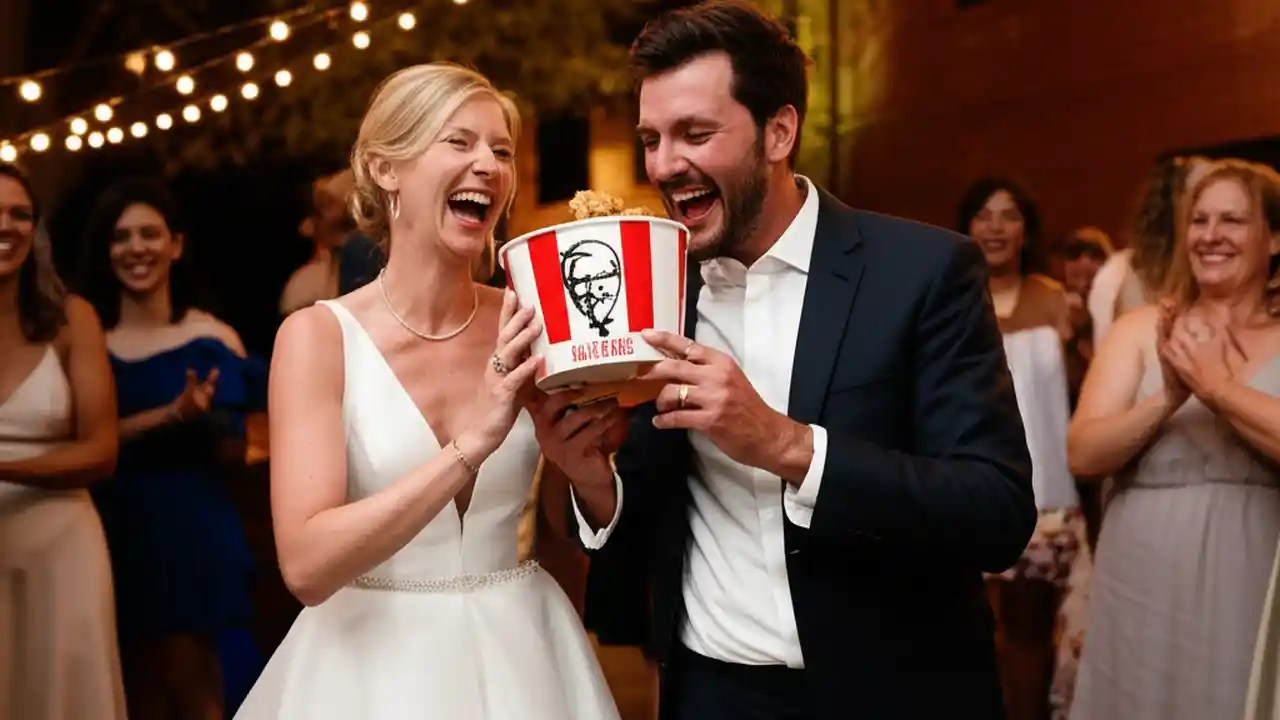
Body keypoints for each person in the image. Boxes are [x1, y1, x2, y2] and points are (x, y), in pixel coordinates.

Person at [562, 3, 1036, 718]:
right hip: (712, 694)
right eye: (651, 139)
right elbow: (645, 529)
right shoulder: (650, 292)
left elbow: (995, 512)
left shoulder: (922, 271)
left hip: (891, 692)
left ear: (779, 131)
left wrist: (786, 445)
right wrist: (593, 483)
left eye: (695, 133)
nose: (663, 164)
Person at [234, 62, 622, 719]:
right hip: (367, 673)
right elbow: (305, 566)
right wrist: (470, 446)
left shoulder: (535, 321)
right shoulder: (318, 339)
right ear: (386, 168)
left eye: (501, 151)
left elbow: (562, 524)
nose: (489, 166)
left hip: (524, 662)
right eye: (459, 142)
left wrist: (588, 480)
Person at [1068, 158, 1280, 720]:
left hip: (1254, 569)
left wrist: (1216, 387)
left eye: (1232, 221)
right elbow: (1083, 453)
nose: (1210, 236)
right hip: (1142, 571)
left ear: (1275, 237)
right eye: (1199, 220)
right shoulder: (1142, 329)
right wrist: (1167, 398)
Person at [77, 177, 266, 720]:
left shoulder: (211, 338)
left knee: (201, 689)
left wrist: (209, 425)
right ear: (105, 251)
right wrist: (168, 416)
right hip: (115, 532)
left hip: (195, 532)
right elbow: (80, 443)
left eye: (149, 234)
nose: (136, 248)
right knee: (134, 692)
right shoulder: (88, 344)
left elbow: (236, 455)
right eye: (121, 237)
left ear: (176, 245)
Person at [957, 178, 1092, 720]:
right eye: (984, 215)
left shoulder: (1058, 301)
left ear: (1026, 230)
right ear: (966, 226)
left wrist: (1080, 338)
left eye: (1009, 215)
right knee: (965, 632)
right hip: (963, 487)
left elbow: (1087, 390)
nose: (995, 227)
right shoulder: (950, 295)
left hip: (1045, 499)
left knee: (1029, 637)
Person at [0, 165, 127, 719]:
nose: (5, 226)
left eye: (19, 214)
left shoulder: (72, 319)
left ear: (36, 230)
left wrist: (5, 469)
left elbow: (101, 450)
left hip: (61, 549)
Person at [279, 170, 354, 316]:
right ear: (307, 226)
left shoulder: (364, 262)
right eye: (324, 206)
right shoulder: (304, 286)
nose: (335, 213)